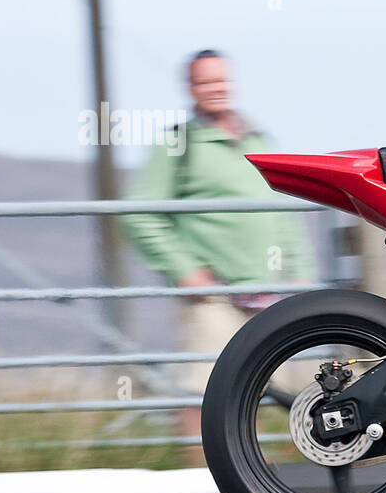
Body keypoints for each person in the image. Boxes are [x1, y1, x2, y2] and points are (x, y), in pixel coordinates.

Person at [123, 49, 316, 463]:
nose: (215, 89)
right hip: (213, 297)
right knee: (205, 391)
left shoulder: (259, 139)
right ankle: (201, 480)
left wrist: (299, 272)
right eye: (204, 82)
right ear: (190, 89)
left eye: (221, 80)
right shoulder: (179, 144)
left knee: (263, 390)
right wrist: (184, 269)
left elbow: (282, 211)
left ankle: (253, 477)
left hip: (266, 293)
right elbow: (140, 213)